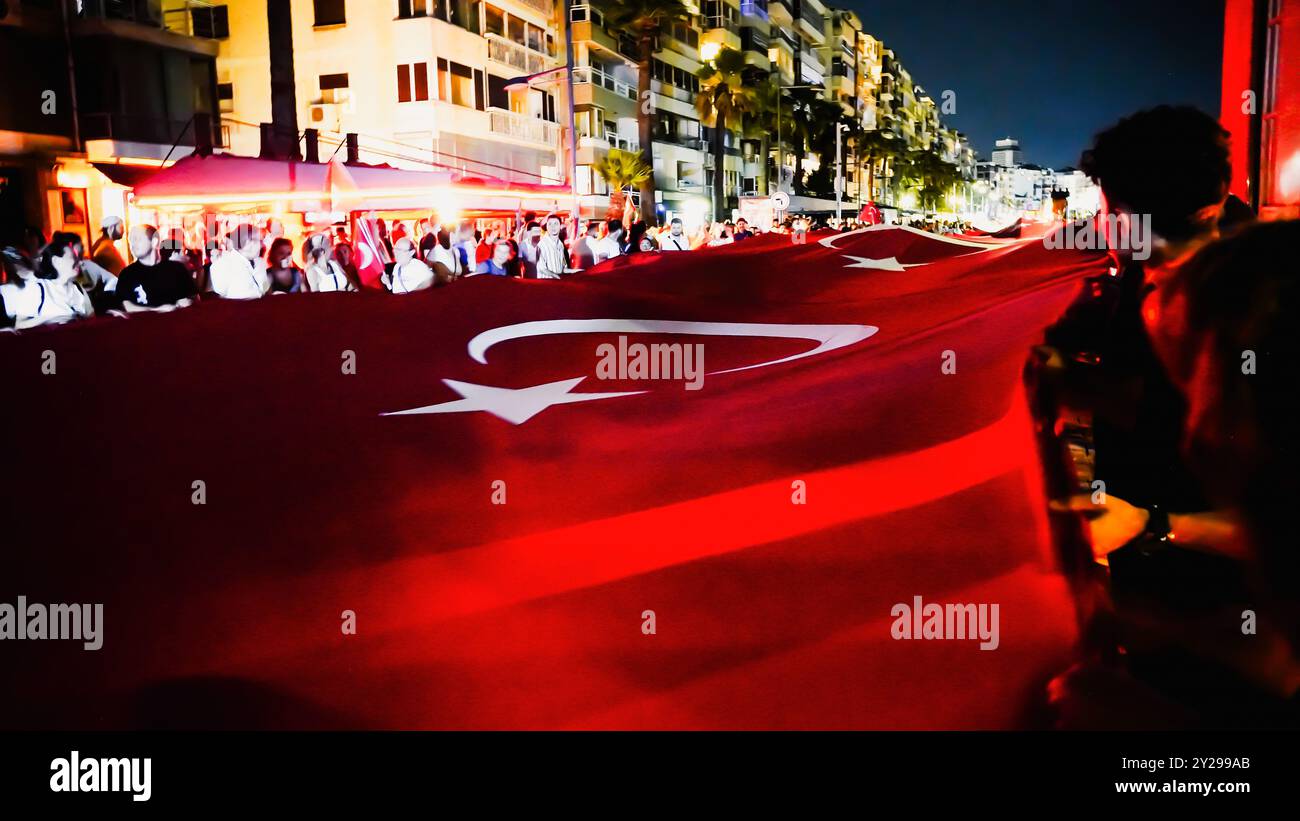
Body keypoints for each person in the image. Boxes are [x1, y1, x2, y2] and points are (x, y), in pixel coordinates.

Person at [0, 233, 93, 329]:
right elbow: (19, 325)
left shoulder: (78, 289)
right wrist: (50, 319)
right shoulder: (38, 289)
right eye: (73, 257)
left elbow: (92, 320)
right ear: (56, 261)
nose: (79, 261)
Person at [116, 224, 197, 311]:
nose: (132, 245)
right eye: (130, 241)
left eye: (138, 239)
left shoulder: (176, 269)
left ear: (154, 242)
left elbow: (193, 298)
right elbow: (126, 306)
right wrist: (159, 310)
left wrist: (187, 302)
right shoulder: (127, 274)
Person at [209, 224, 270, 299]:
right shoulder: (221, 265)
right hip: (236, 309)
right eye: (259, 241)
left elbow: (265, 288)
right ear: (248, 242)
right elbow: (221, 292)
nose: (262, 245)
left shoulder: (260, 263)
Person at [536, 214, 569, 279]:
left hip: (558, 283)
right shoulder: (542, 245)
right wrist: (557, 276)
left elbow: (563, 267)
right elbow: (541, 268)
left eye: (556, 224)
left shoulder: (560, 245)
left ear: (560, 226)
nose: (552, 227)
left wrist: (578, 271)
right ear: (547, 227)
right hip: (546, 283)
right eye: (550, 224)